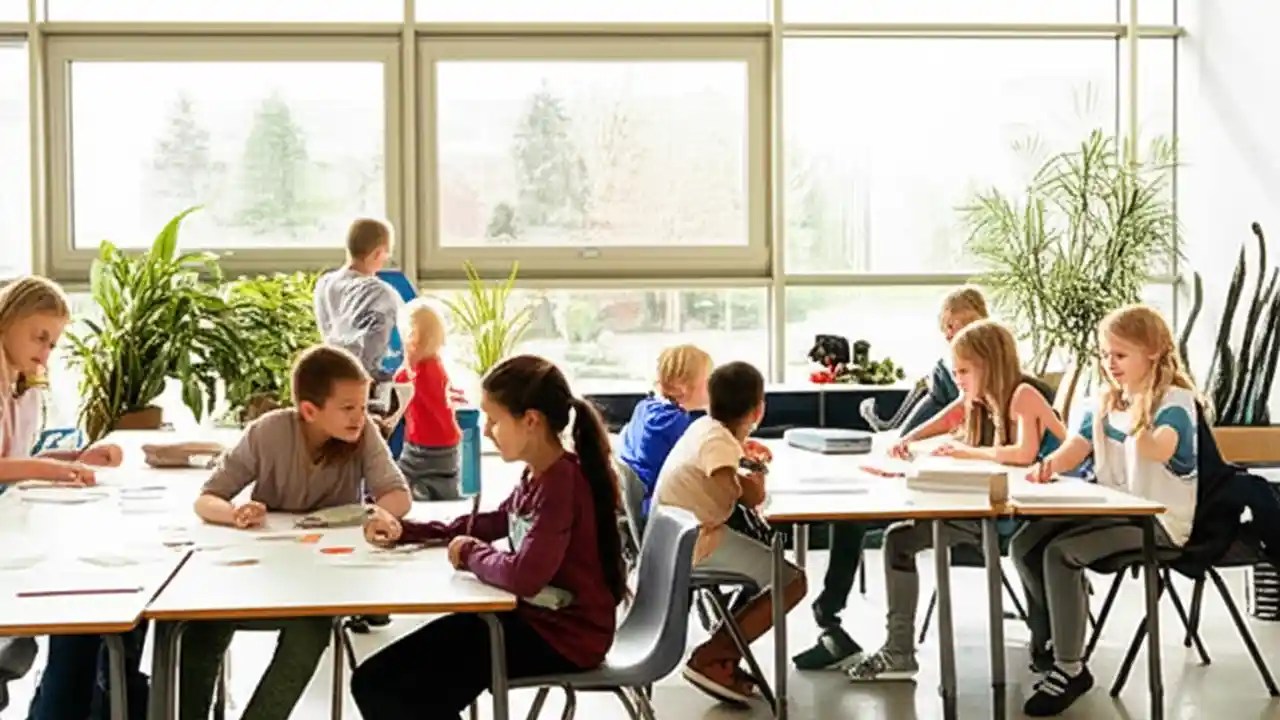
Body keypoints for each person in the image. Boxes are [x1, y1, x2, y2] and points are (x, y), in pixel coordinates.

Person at [351, 355, 627, 720]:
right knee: (377, 684)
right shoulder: (539, 475)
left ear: (531, 421)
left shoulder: (562, 482)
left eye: (493, 420)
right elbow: (492, 522)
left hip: (563, 638)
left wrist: (470, 555)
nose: (485, 431)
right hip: (535, 623)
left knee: (387, 690)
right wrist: (408, 531)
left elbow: (525, 576)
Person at [179, 345, 412, 720]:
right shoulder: (268, 432)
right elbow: (207, 499)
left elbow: (398, 494)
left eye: (364, 405)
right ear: (309, 410)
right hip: (259, 572)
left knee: (311, 633)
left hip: (320, 579)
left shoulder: (363, 433)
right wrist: (236, 512)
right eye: (348, 408)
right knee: (202, 628)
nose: (360, 416)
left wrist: (380, 514)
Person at [845, 319, 1066, 683]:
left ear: (990, 366)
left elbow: (1024, 454)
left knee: (902, 538)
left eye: (964, 371)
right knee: (900, 539)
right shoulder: (982, 401)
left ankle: (1051, 647)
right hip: (994, 508)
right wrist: (909, 441)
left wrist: (967, 454)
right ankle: (899, 651)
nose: (958, 379)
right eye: (955, 371)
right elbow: (951, 416)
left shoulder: (1023, 394)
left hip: (1036, 519)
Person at [1012, 304, 1199, 716]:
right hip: (1114, 510)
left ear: (1152, 352)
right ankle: (1050, 640)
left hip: (1159, 522)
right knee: (1024, 543)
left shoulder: (1176, 402)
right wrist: (1047, 467)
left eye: (1119, 355)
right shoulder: (1106, 399)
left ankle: (1070, 667)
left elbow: (1160, 447)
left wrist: (1140, 414)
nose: (1109, 364)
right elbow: (1077, 447)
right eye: (1105, 355)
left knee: (1061, 554)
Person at [794, 285, 991, 671]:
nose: (955, 333)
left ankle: (830, 616)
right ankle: (829, 619)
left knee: (861, 521)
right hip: (935, 476)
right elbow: (919, 426)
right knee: (848, 513)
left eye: (965, 324)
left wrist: (915, 442)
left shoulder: (997, 376)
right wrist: (899, 443)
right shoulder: (947, 372)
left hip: (965, 493)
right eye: (949, 326)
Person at [3, 276, 134, 720]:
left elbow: (18, 458)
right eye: (39, 336)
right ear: (7, 320)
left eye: (54, 343)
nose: (46, 350)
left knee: (90, 604)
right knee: (79, 612)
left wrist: (77, 456)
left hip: (13, 526)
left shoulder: (18, 385)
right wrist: (54, 469)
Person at [654, 361, 807, 705]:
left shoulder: (705, 428)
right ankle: (711, 656)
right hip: (696, 542)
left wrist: (744, 456)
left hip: (675, 536)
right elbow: (749, 496)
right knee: (792, 581)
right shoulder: (718, 442)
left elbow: (725, 465)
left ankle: (724, 652)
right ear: (759, 409)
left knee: (772, 573)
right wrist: (755, 474)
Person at [617, 344, 712, 515]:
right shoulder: (676, 424)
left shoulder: (645, 408)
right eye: (708, 381)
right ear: (683, 385)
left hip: (647, 508)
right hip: (666, 512)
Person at [314, 217, 400, 385]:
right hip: (361, 383)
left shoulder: (324, 284)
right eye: (386, 254)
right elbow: (376, 344)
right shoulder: (379, 292)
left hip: (331, 377)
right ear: (378, 253)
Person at [393, 298, 464, 501]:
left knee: (399, 477)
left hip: (424, 443)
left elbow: (404, 386)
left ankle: (421, 489)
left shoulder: (417, 371)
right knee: (444, 477)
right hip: (445, 441)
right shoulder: (434, 364)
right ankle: (430, 488)